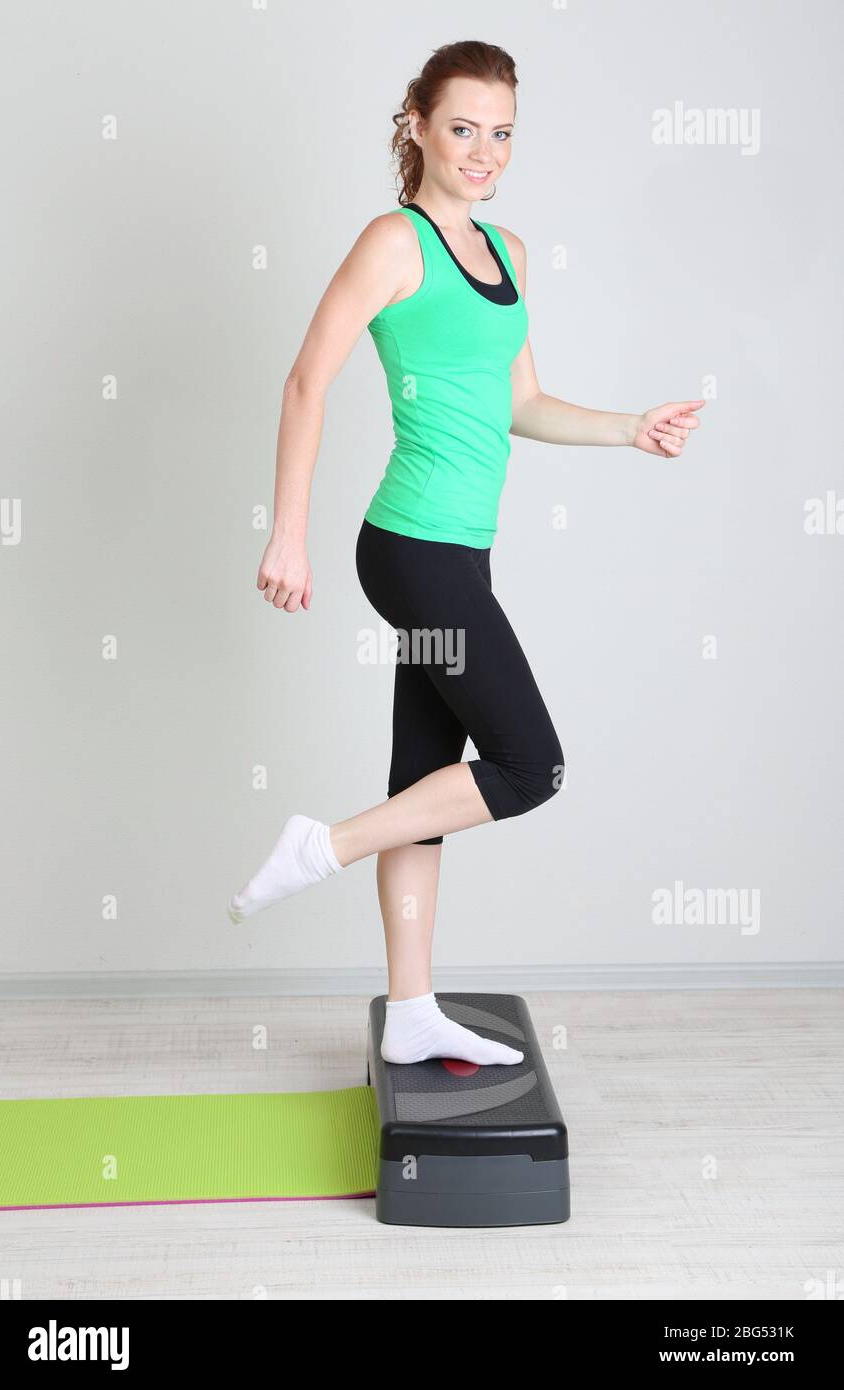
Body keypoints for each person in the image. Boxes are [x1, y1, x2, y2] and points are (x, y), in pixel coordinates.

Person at [228, 40, 704, 1066]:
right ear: (417, 125)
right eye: (462, 129)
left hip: (462, 555)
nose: (484, 152)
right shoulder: (392, 243)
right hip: (411, 551)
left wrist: (630, 428)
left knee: (425, 777)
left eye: (501, 133)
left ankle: (410, 1011)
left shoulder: (508, 253)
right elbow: (306, 382)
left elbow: (519, 402)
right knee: (530, 764)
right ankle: (321, 845)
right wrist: (288, 534)